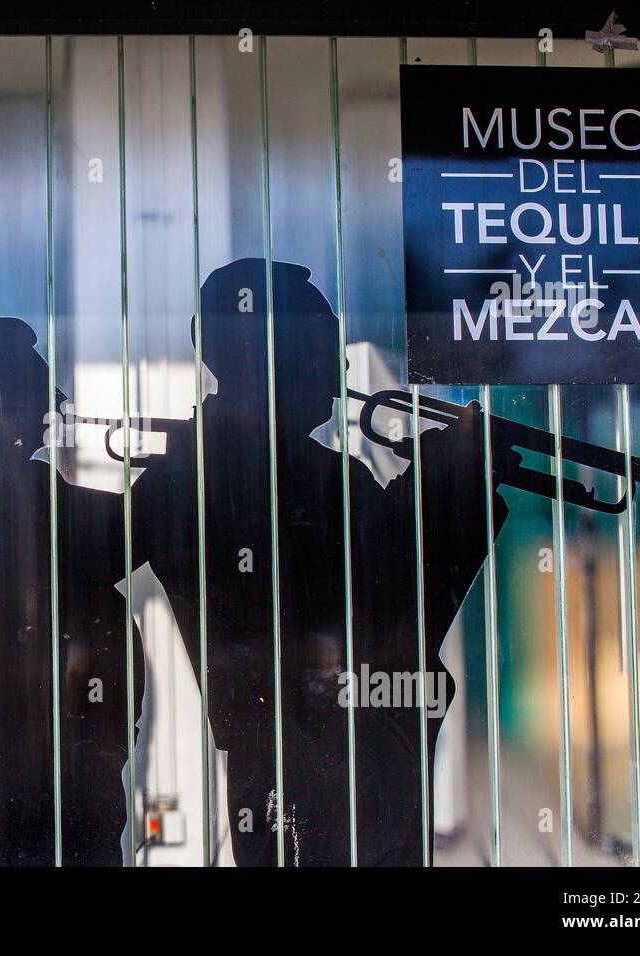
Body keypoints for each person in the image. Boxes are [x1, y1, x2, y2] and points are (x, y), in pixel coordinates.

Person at [132, 258, 505, 865]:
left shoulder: (236, 470)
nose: (338, 378)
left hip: (337, 748)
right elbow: (401, 607)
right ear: (266, 360)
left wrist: (445, 485)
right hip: (326, 757)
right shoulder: (286, 478)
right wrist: (450, 486)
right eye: (322, 351)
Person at [0, 317, 143, 865]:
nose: (55, 401)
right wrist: (184, 476)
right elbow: (117, 539)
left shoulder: (6, 483)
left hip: (69, 761)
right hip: (31, 768)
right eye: (35, 388)